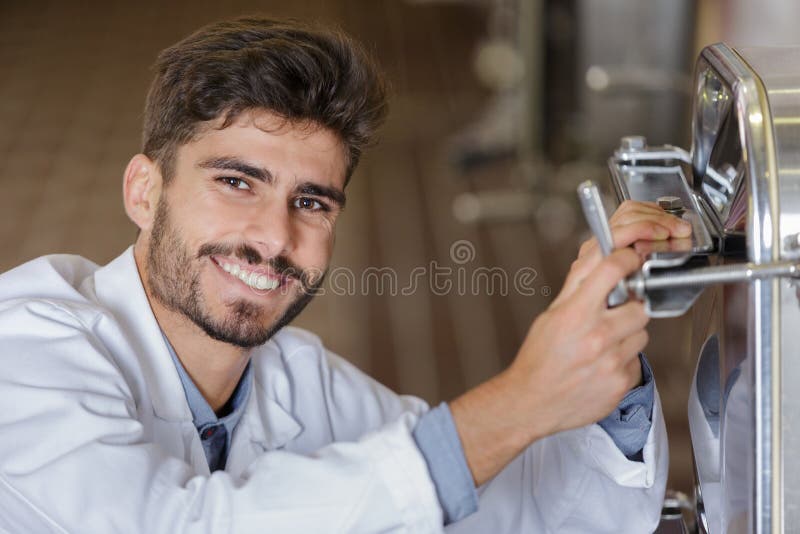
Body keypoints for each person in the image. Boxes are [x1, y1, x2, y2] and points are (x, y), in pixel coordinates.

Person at [0, 17, 691, 533]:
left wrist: (603, 345)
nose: (276, 238)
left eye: (310, 202)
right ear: (144, 192)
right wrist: (520, 399)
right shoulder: (27, 344)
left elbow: (530, 513)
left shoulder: (302, 382)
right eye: (238, 182)